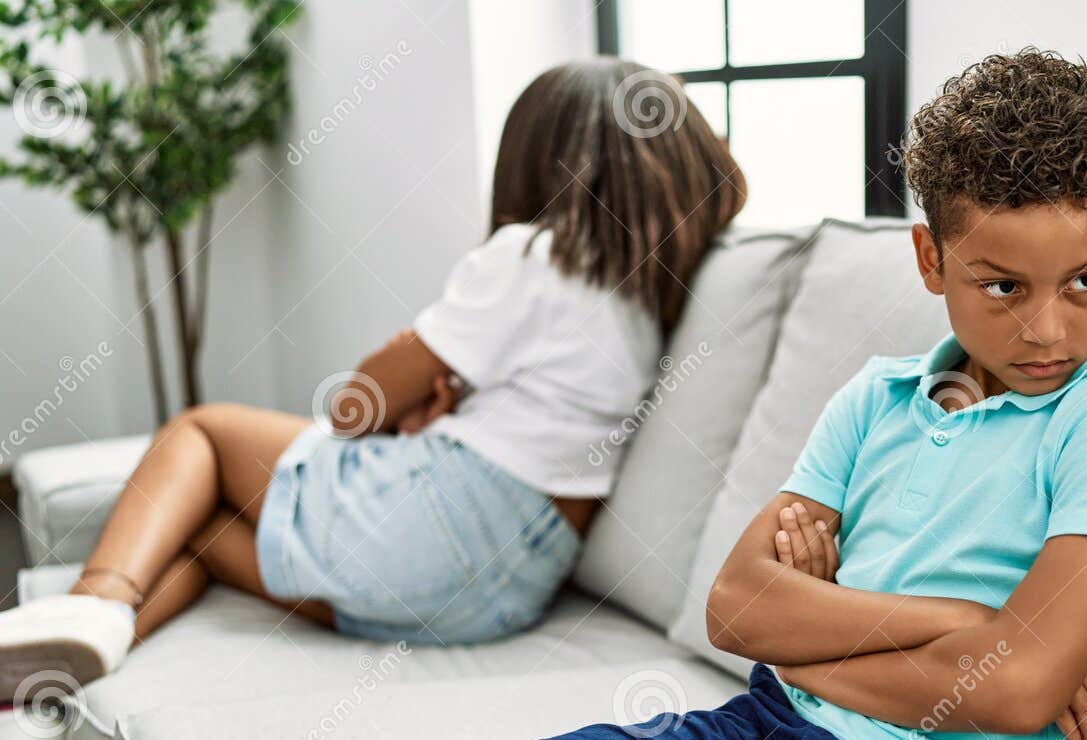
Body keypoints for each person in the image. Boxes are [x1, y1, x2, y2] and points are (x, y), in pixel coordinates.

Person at [94, 48, 1087, 740]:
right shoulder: (876, 397)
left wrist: (878, 649)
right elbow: (740, 611)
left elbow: (1024, 682)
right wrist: (956, 629)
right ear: (930, 257)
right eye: (1003, 286)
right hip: (767, 730)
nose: (1049, 329)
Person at [0, 59, 745, 699]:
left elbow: (360, 406)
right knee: (192, 530)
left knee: (201, 431)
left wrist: (410, 374)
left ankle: (92, 602)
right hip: (501, 595)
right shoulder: (650, 301)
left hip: (434, 528)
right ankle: (48, 694)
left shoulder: (534, 254)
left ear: (540, 165)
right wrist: (453, 405)